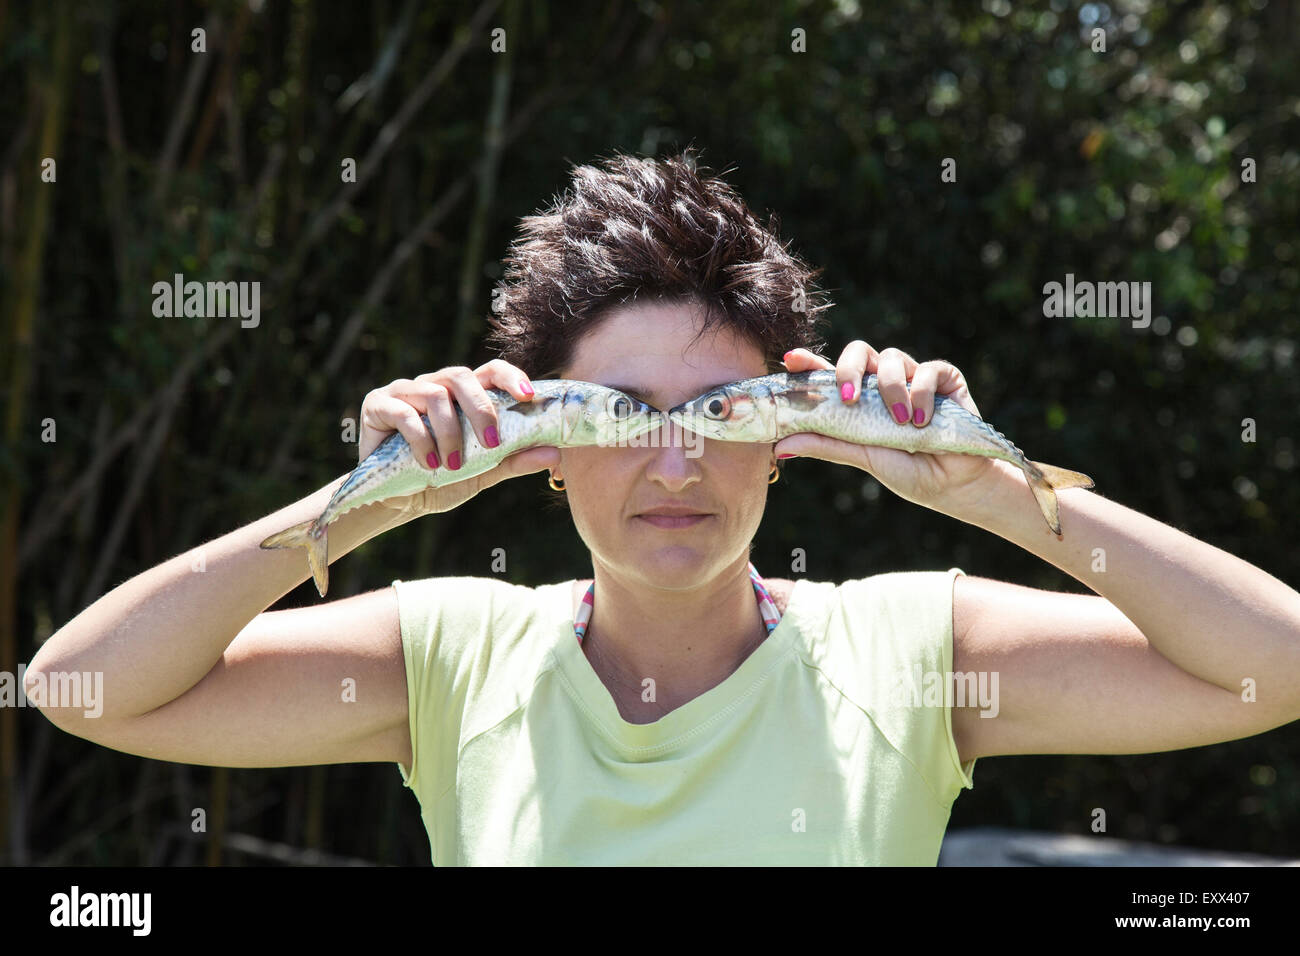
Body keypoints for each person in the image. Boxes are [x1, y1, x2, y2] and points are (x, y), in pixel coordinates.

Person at [26, 151, 1300, 865]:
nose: (677, 463)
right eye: (622, 414)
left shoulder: (909, 654)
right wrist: (366, 500)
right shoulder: (453, 656)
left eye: (721, 413)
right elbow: (84, 686)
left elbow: (1275, 665)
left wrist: (993, 489)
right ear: (542, 445)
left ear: (795, 441)